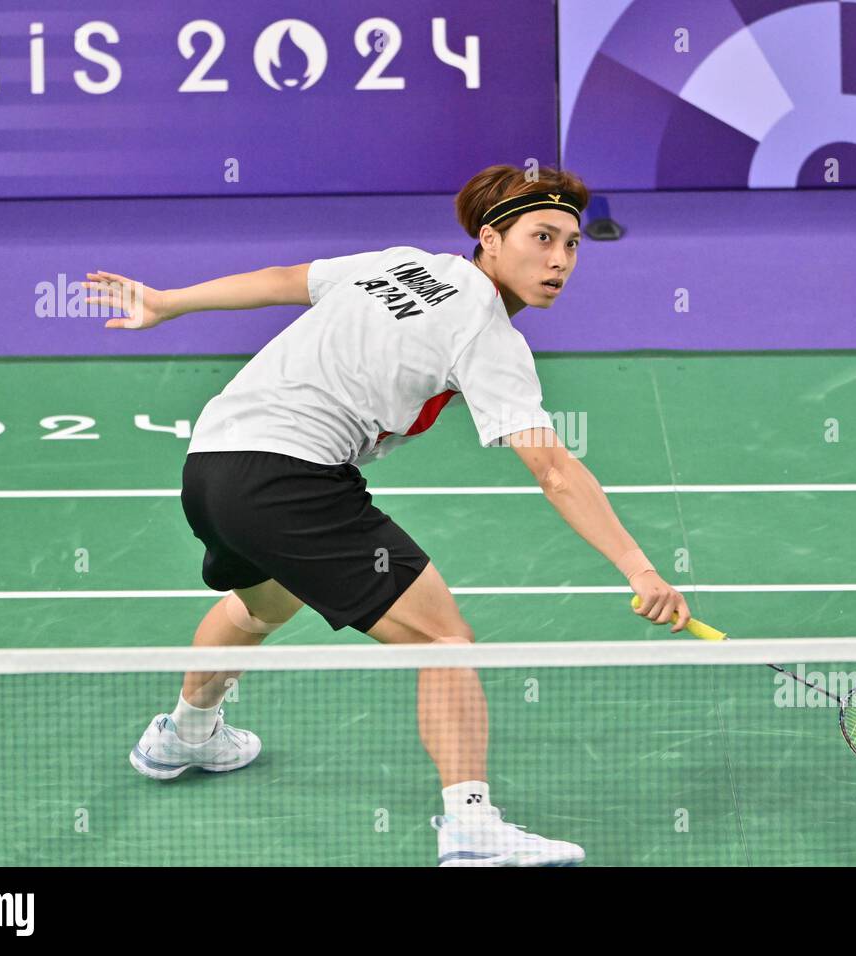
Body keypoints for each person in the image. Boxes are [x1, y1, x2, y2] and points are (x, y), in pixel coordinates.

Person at [84, 164, 692, 866]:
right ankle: (470, 825)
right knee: (444, 643)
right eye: (542, 238)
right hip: (289, 475)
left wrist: (170, 302)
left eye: (572, 245)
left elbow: (286, 279)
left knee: (260, 607)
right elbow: (553, 468)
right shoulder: (486, 331)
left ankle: (186, 734)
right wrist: (640, 568)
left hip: (213, 465)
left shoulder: (401, 263)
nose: (559, 261)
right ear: (491, 240)